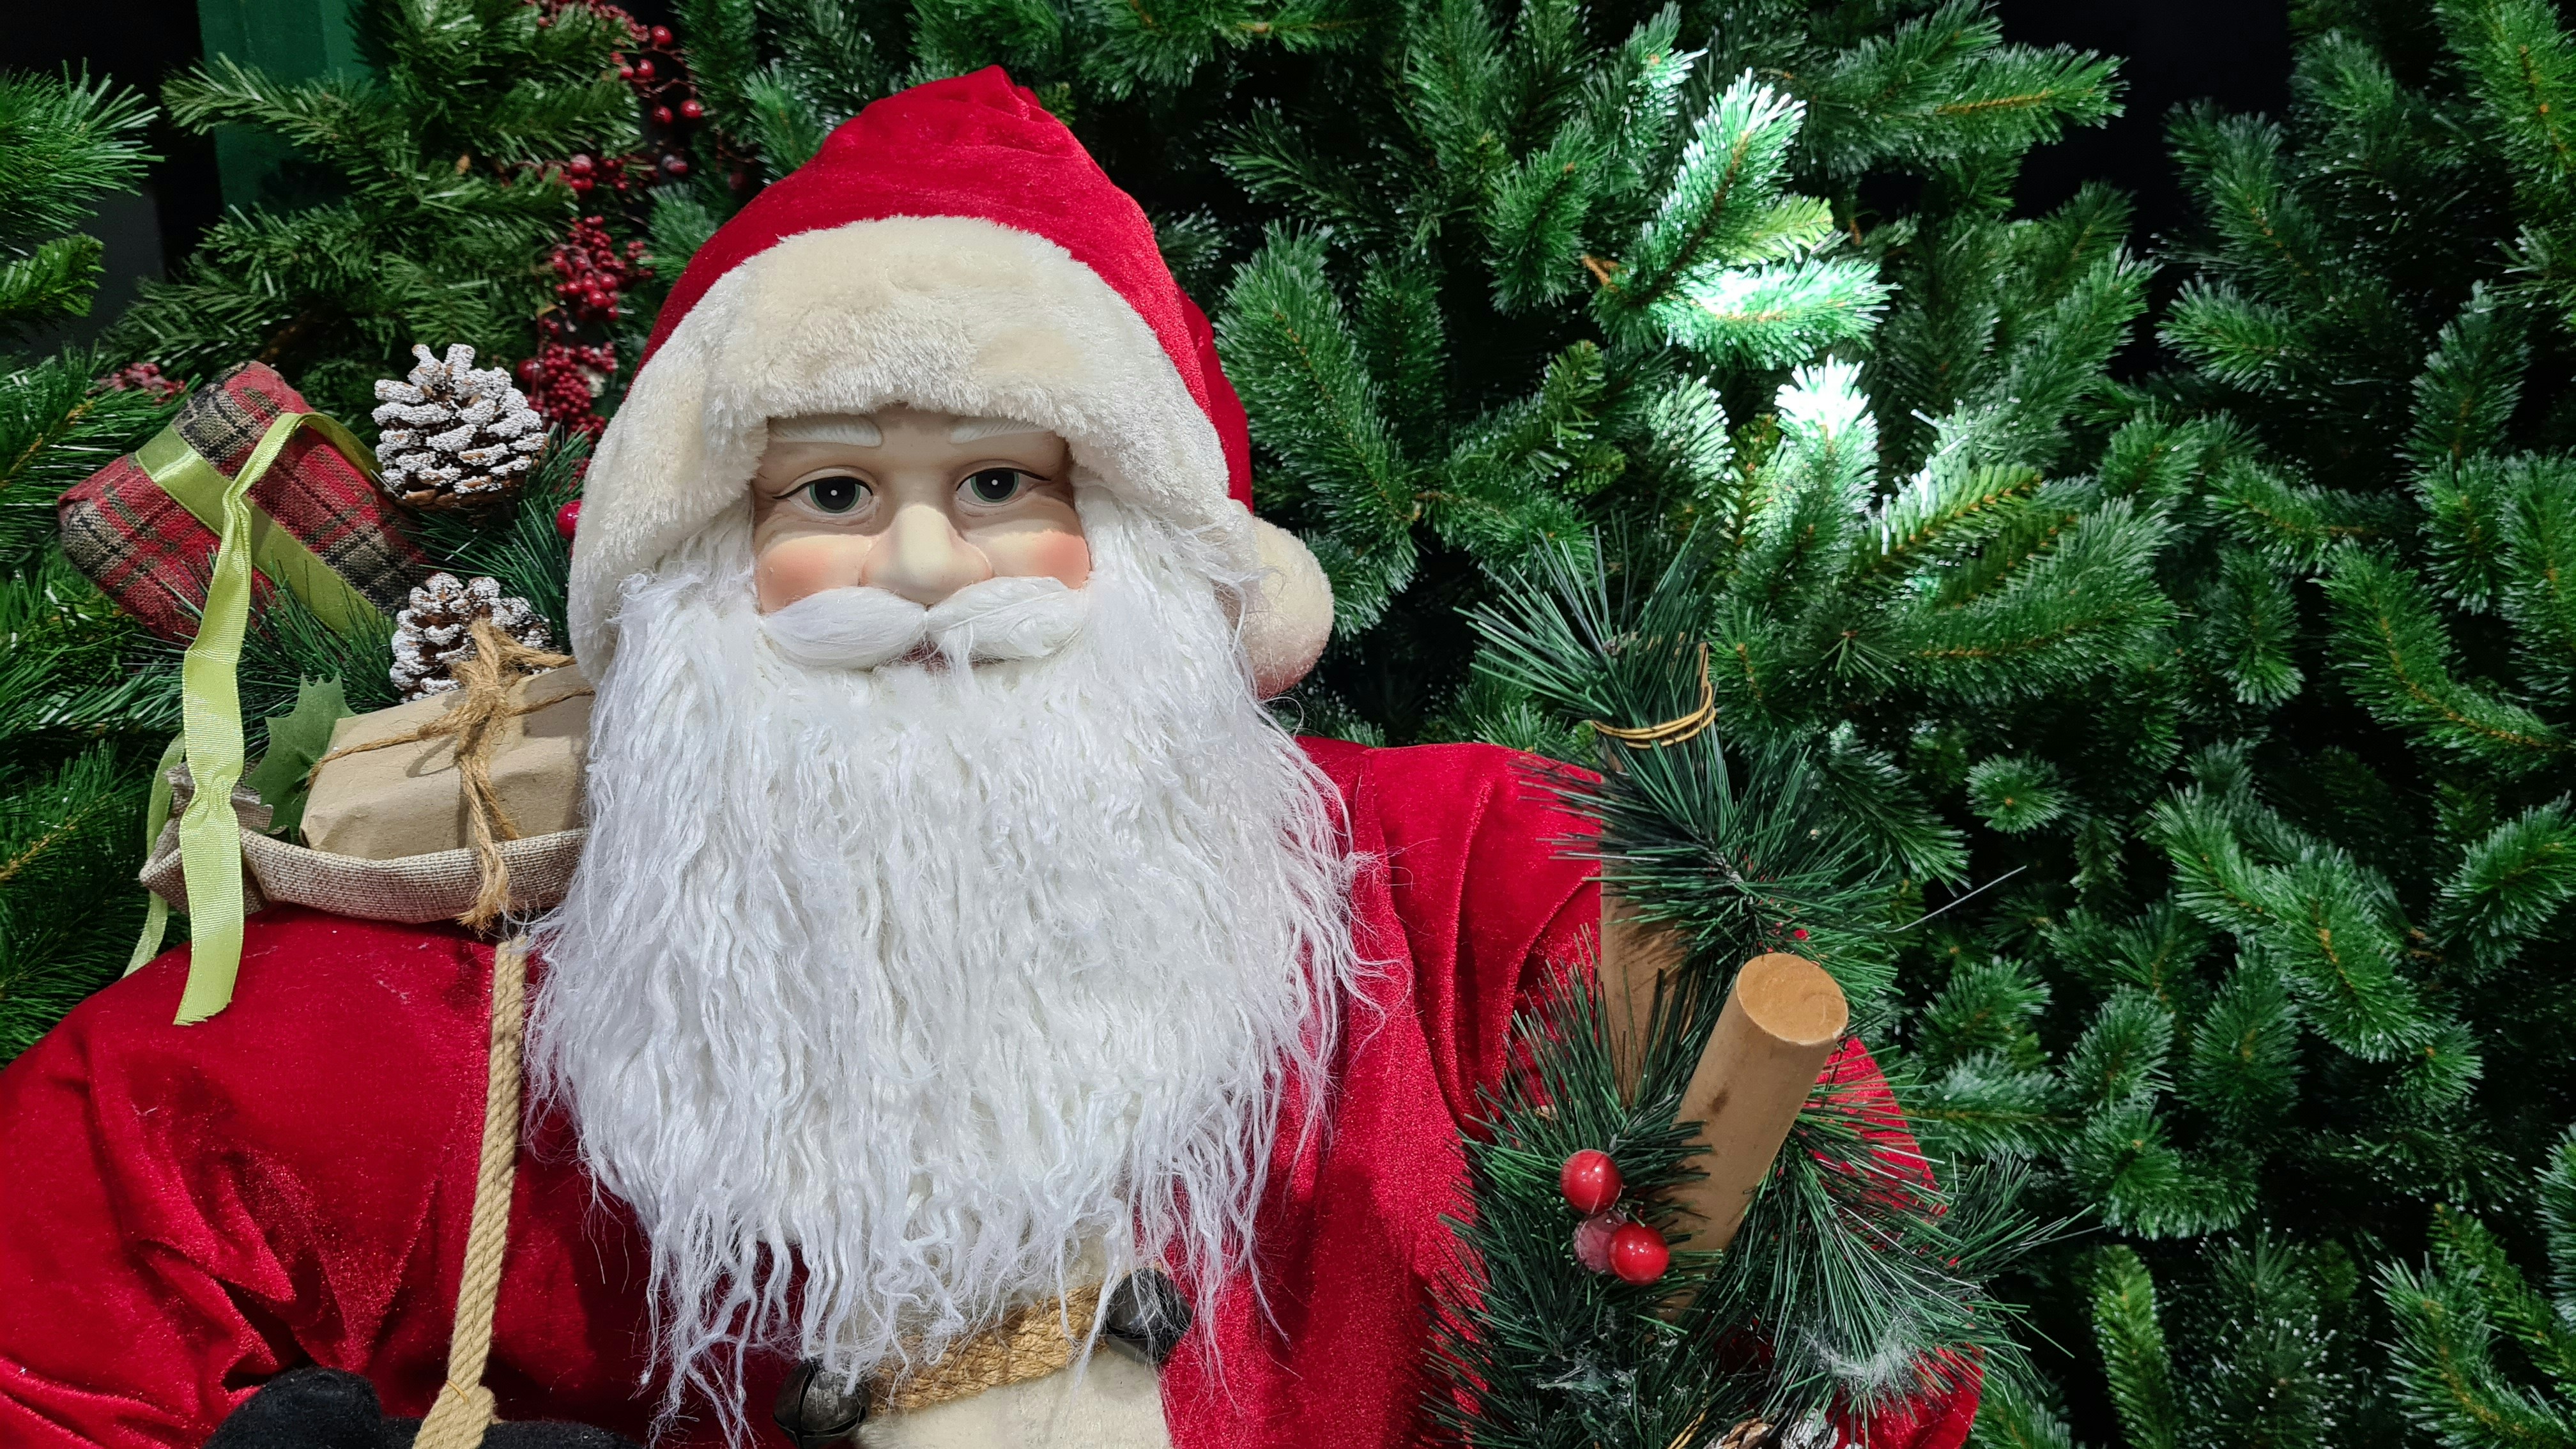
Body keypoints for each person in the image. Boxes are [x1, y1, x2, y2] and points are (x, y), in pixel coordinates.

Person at [0, 70, 1976, 1449]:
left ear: (1158, 556)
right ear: (696, 571)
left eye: (1006, 483)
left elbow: (1852, 1297)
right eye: (837, 488)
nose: (927, 565)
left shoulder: (1461, 885)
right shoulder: (499, 993)